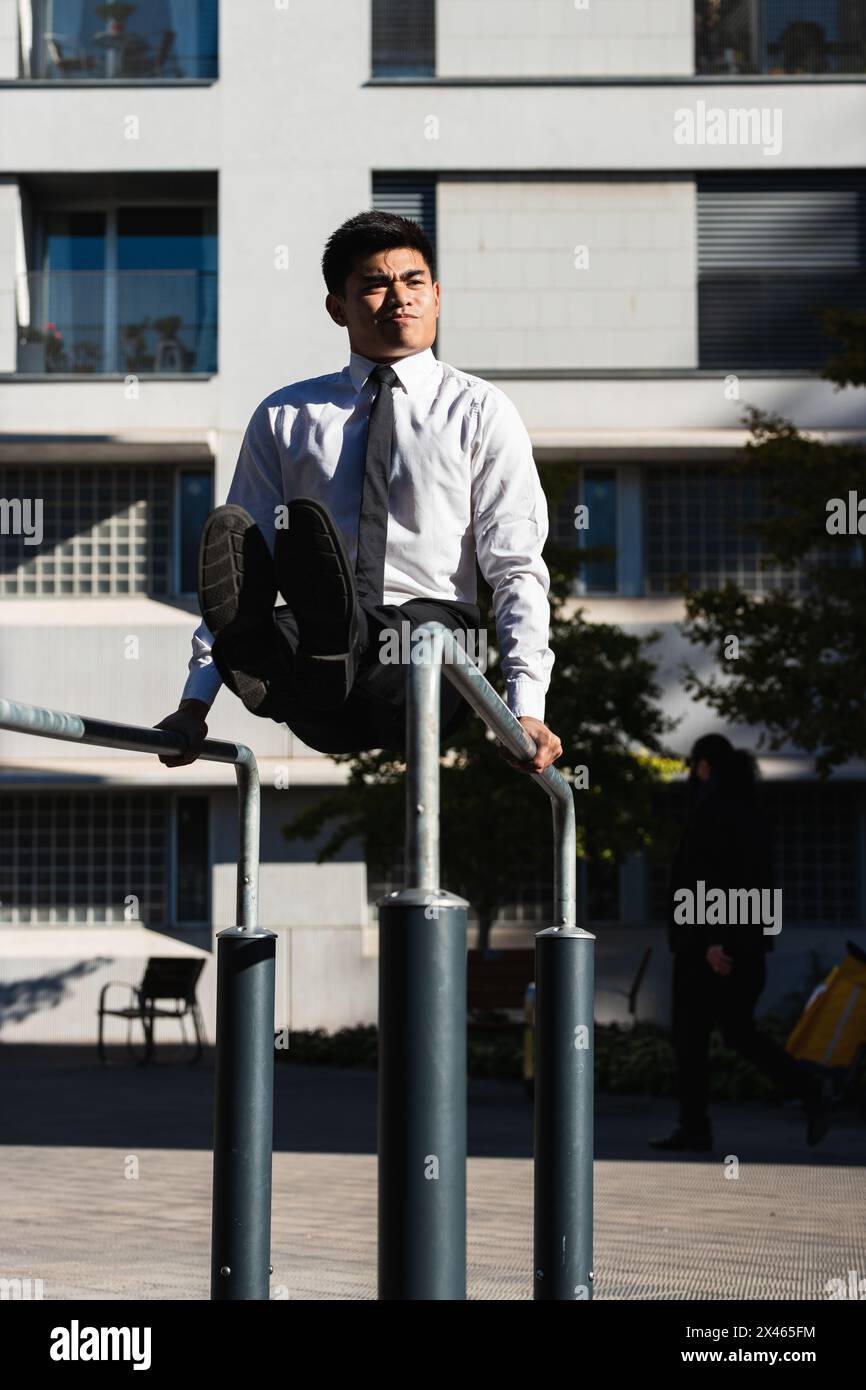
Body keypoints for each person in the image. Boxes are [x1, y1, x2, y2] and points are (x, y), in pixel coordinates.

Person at [154, 210, 562, 776]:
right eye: (375, 284)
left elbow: (516, 567)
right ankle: (297, 654)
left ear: (438, 296)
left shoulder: (479, 411)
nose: (400, 297)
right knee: (272, 622)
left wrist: (525, 708)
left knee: (398, 633)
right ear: (337, 308)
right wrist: (193, 705)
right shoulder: (287, 417)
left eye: (414, 281)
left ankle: (318, 646)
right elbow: (241, 575)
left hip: (429, 660)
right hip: (323, 701)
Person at [650, 733, 831, 1151]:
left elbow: (715, 876)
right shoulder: (745, 808)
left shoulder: (716, 810)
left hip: (711, 948)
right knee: (736, 1031)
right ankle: (808, 1091)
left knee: (693, 1037)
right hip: (735, 943)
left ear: (705, 766)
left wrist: (715, 941)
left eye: (695, 765)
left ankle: (697, 1127)